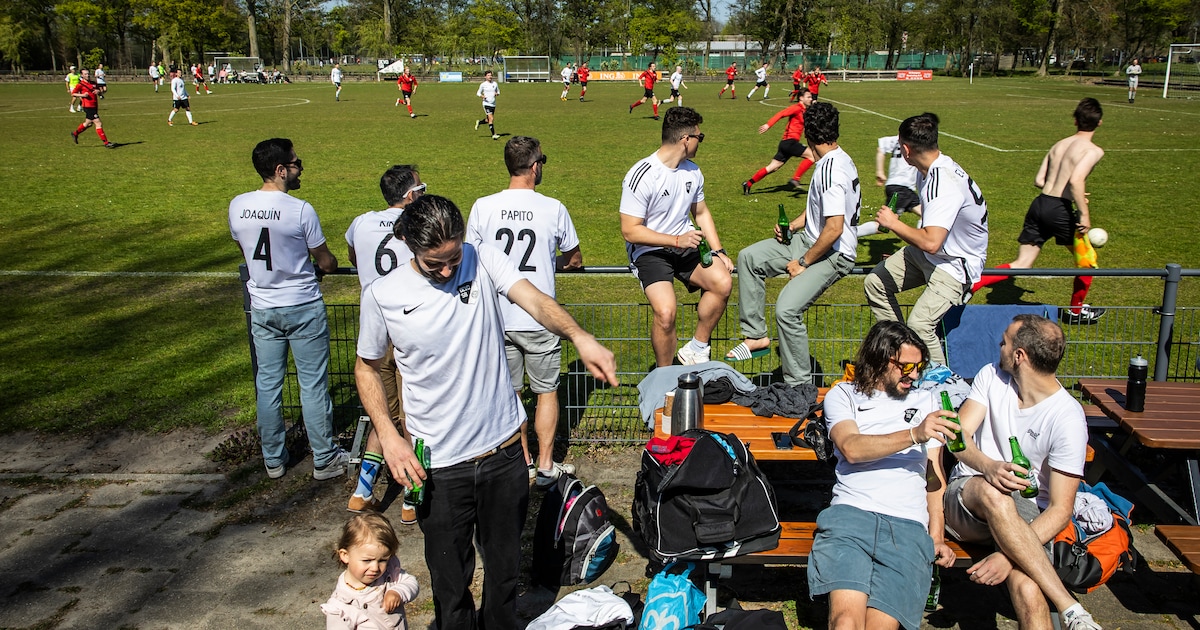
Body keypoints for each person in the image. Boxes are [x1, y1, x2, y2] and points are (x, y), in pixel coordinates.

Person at [353, 194, 617, 630]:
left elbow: (536, 301)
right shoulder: (383, 295)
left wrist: (579, 336)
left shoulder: (483, 258)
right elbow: (368, 368)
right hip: (436, 466)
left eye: (453, 257)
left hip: (503, 455)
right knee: (451, 583)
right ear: (409, 247)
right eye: (434, 263)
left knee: (504, 572)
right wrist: (391, 435)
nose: (447, 270)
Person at [943, 314, 1102, 630]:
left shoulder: (1066, 417)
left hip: (1026, 518)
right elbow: (957, 440)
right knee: (995, 495)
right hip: (968, 499)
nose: (998, 347)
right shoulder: (991, 376)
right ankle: (1069, 605)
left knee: (1028, 589)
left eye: (1004, 342)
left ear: (1019, 356)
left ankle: (1069, 616)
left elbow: (1059, 509)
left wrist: (1008, 556)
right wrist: (988, 466)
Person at [809, 320, 960, 630]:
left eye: (919, 367)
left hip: (906, 527)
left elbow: (934, 476)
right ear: (881, 358)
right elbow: (851, 447)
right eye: (907, 367)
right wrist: (915, 433)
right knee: (846, 623)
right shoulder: (844, 395)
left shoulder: (926, 401)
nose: (915, 375)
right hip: (852, 516)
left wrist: (937, 535)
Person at [228, 138, 346, 480]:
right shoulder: (299, 209)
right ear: (280, 170)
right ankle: (324, 459)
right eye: (296, 163)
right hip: (302, 305)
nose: (300, 168)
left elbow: (245, 251)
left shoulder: (237, 205)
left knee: (267, 384)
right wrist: (325, 265)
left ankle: (273, 460)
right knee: (312, 385)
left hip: (262, 306)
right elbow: (325, 260)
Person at [467, 136, 582, 487]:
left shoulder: (482, 207)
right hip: (539, 315)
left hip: (498, 315)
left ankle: (522, 464)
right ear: (535, 166)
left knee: (511, 394)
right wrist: (552, 265)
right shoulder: (553, 208)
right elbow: (574, 259)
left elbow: (469, 259)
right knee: (546, 391)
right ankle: (547, 465)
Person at [725, 102, 857, 384]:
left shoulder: (833, 170)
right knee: (749, 257)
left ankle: (799, 386)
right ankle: (757, 337)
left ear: (807, 135)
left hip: (833, 254)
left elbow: (834, 228)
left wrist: (803, 262)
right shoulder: (831, 161)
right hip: (809, 238)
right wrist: (795, 225)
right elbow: (822, 210)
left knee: (786, 310)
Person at [864, 113, 988, 367]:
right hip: (933, 253)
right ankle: (903, 353)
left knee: (920, 324)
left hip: (955, 265)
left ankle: (941, 384)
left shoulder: (943, 182)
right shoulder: (926, 171)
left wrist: (894, 224)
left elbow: (931, 241)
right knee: (876, 282)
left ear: (906, 149)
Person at [971, 99, 1107, 325]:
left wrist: (1071, 193)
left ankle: (972, 285)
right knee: (1087, 261)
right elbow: (1076, 180)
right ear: (1099, 123)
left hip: (1040, 204)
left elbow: (1039, 180)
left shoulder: (1059, 144)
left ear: (1075, 120)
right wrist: (1084, 214)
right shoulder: (1093, 150)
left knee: (1022, 263)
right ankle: (1075, 311)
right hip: (1060, 211)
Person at [619, 106, 733, 367]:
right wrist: (675, 240)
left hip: (685, 244)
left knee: (722, 282)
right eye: (699, 137)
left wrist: (719, 251)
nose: (700, 142)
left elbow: (701, 213)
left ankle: (697, 347)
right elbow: (630, 230)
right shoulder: (643, 175)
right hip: (649, 250)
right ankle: (664, 375)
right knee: (666, 312)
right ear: (685, 140)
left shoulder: (693, 171)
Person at [344, 165, 425, 519]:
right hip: (408, 329)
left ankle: (362, 491)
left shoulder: (361, 223)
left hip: (372, 333)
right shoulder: (416, 227)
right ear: (409, 196)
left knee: (383, 415)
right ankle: (412, 495)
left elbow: (350, 256)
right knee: (413, 419)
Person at [322, 512, 420, 629]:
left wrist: (398, 592)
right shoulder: (341, 607)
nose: (375, 568)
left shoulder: (389, 575)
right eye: (367, 560)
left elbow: (411, 582)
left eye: (382, 560)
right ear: (345, 555)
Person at [741, 87, 816, 194]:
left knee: (772, 168)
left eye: (811, 97)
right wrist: (768, 124)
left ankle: (748, 184)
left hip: (786, 144)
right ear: (801, 98)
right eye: (808, 97)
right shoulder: (797, 108)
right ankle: (795, 178)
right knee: (812, 156)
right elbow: (781, 114)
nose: (810, 99)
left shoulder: (804, 110)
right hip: (790, 143)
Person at [858, 134, 924, 236]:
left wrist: (880, 171)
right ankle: (848, 235)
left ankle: (922, 245)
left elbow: (880, 149)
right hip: (902, 189)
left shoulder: (897, 139)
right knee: (883, 225)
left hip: (898, 187)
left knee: (926, 215)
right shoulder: (918, 140)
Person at [70, 69, 116, 149]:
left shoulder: (94, 83)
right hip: (87, 106)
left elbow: (100, 92)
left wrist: (98, 92)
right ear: (82, 75)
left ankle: (75, 133)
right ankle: (106, 142)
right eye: (85, 74)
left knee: (88, 123)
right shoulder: (80, 84)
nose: (87, 75)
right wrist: (83, 95)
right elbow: (73, 93)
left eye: (88, 74)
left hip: (94, 105)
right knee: (98, 123)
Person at [476, 70, 500, 139]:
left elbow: (498, 91)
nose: (490, 77)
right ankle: (494, 134)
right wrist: (482, 96)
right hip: (486, 103)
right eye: (488, 75)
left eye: (491, 75)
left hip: (493, 104)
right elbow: (478, 93)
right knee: (491, 118)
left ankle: (479, 122)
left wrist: (497, 94)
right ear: (485, 77)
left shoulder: (495, 84)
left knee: (488, 120)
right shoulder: (483, 85)